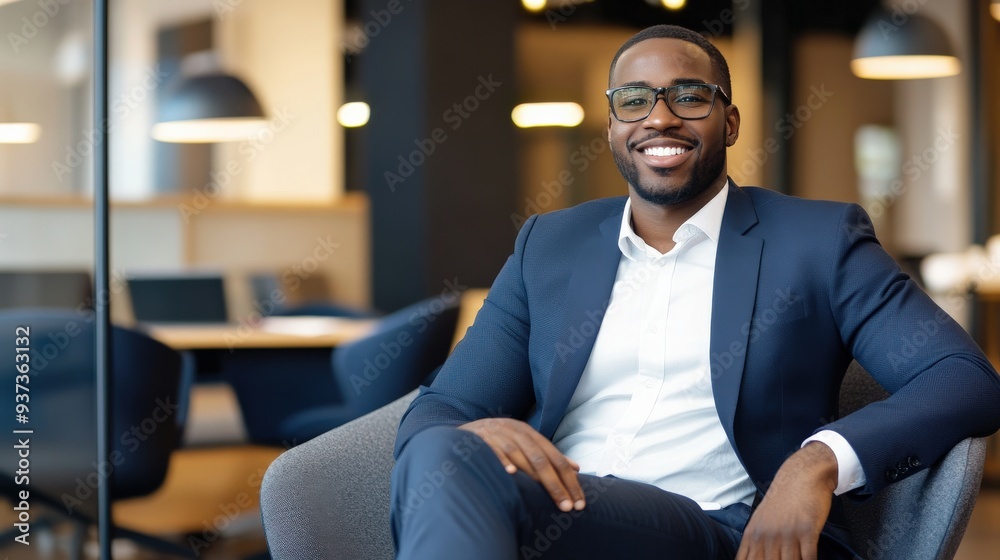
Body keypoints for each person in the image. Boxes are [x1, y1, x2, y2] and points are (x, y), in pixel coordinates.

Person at [389, 24, 1000, 560]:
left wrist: (816, 462)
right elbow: (441, 410)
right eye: (634, 101)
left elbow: (963, 378)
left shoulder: (816, 240)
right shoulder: (549, 245)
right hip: (560, 513)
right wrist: (473, 435)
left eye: (689, 96)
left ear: (729, 123)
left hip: (711, 529)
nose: (660, 118)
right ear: (611, 128)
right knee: (440, 452)